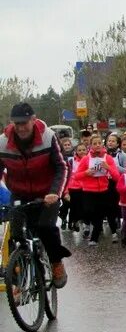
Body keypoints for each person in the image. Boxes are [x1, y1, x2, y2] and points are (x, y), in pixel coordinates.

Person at [0, 103, 70, 287]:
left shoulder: (48, 137)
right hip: (19, 192)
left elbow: (61, 166)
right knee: (15, 233)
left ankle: (56, 263)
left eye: (25, 122)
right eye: (17, 124)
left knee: (46, 227)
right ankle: (18, 277)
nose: (21, 127)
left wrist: (55, 193)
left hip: (48, 193)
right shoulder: (3, 142)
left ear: (33, 119)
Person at [74, 134, 122, 246]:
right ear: (90, 146)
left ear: (102, 144)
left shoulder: (107, 158)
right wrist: (86, 173)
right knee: (89, 211)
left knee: (102, 213)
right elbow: (76, 176)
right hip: (88, 191)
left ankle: (95, 238)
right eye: (94, 144)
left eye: (99, 143)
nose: (97, 145)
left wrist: (108, 168)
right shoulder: (86, 159)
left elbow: (117, 177)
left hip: (104, 191)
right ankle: (95, 232)